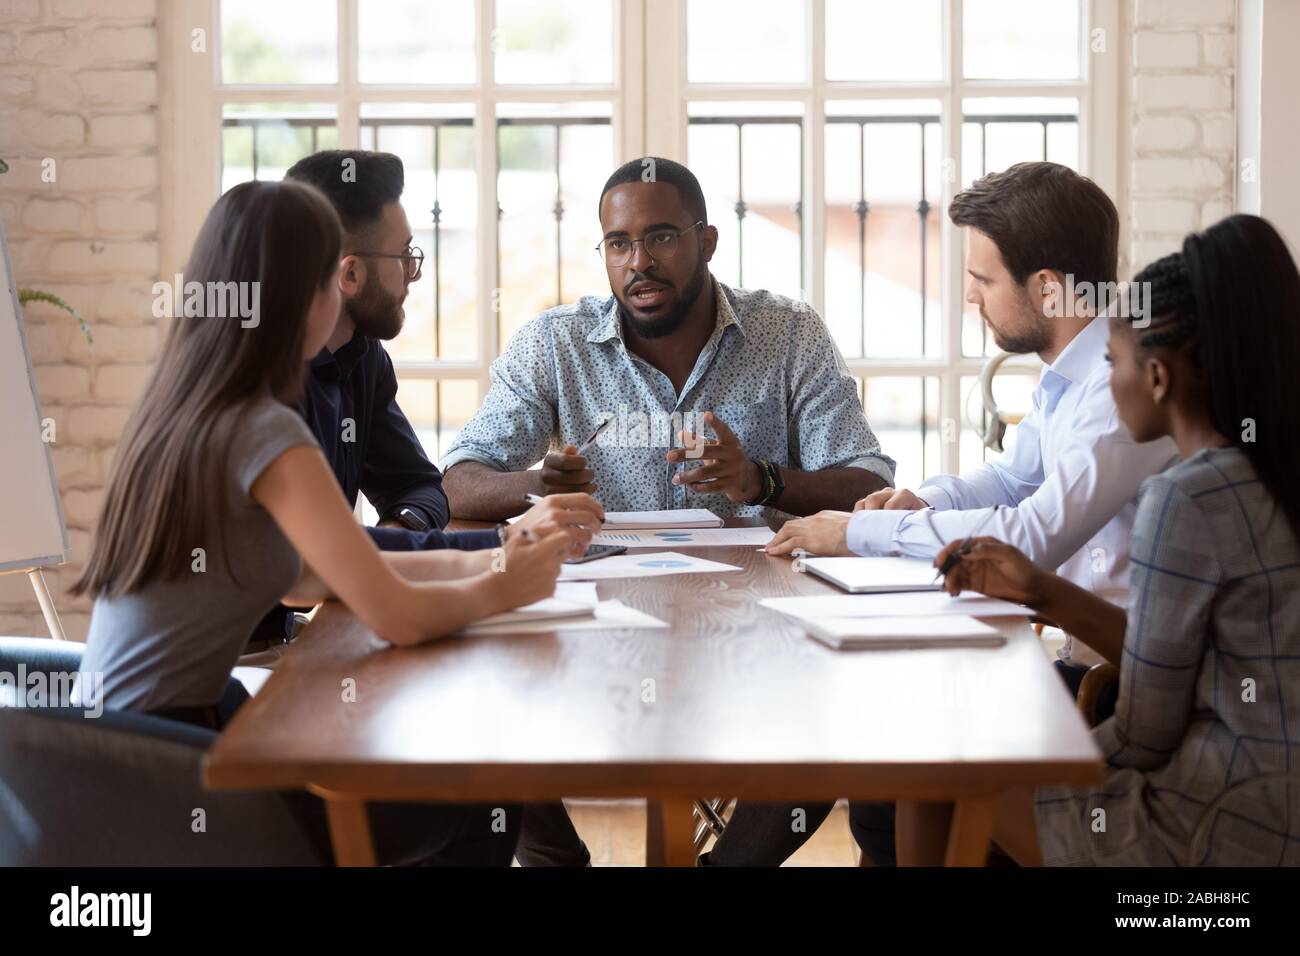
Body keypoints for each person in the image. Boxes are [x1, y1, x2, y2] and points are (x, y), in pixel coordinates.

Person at [72, 179, 571, 865]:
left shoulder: (180, 409)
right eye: (328, 283)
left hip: (121, 755)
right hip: (173, 775)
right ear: (302, 298)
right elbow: (394, 616)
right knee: (484, 787)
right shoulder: (264, 431)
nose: (339, 296)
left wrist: (486, 558)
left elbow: (309, 579)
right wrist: (506, 588)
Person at [708, 161, 1180, 866]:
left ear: (1047, 287)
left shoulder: (1115, 390)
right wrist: (923, 500)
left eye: (983, 280)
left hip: (1108, 687)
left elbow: (1034, 535)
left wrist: (859, 531)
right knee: (878, 753)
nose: (969, 297)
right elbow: (1017, 477)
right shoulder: (1073, 377)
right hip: (1080, 665)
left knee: (889, 734)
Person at [904, 213, 1300, 865]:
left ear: (1160, 379)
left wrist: (1053, 750)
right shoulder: (1267, 470)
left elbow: (1146, 731)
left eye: (1112, 362)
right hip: (1276, 807)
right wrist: (1043, 591)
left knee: (931, 756)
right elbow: (1196, 667)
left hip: (1206, 830)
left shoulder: (1188, 497)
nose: (1105, 386)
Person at [280, 151, 601, 867]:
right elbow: (312, 574)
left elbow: (416, 495)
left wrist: (409, 537)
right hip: (229, 719)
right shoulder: (265, 412)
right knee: (476, 763)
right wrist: (498, 562)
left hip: (271, 667)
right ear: (348, 273)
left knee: (481, 736)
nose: (415, 278)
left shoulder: (346, 367)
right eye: (408, 258)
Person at [440, 157, 895, 521]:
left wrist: (761, 481)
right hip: (606, 593)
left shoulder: (789, 332)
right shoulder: (556, 342)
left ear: (707, 243)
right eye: (618, 243)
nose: (639, 262)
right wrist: (539, 487)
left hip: (755, 593)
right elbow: (456, 484)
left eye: (661, 238)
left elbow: (870, 485)